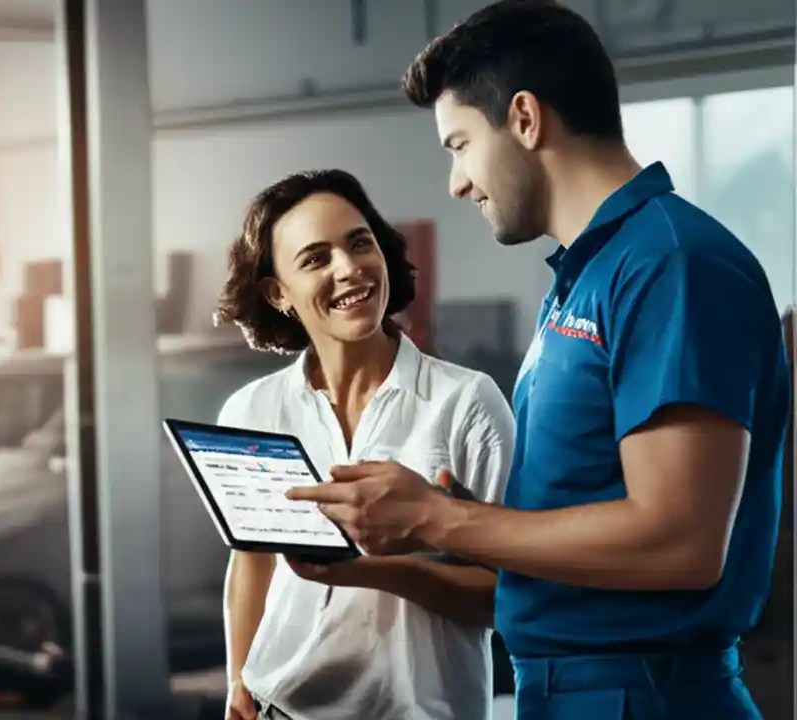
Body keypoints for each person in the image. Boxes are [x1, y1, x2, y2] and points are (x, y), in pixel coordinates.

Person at [287, 2, 792, 718]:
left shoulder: (672, 265)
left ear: (524, 118)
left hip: (645, 697)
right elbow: (586, 532)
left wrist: (439, 519)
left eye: (459, 144)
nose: (457, 182)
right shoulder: (584, 279)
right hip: (566, 690)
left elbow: (681, 541)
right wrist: (444, 526)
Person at [214, 169, 515, 720]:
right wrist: (239, 682)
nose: (349, 269)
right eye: (315, 258)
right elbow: (251, 565)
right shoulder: (251, 412)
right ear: (277, 293)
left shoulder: (466, 404)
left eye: (359, 243)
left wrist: (366, 566)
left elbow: (506, 597)